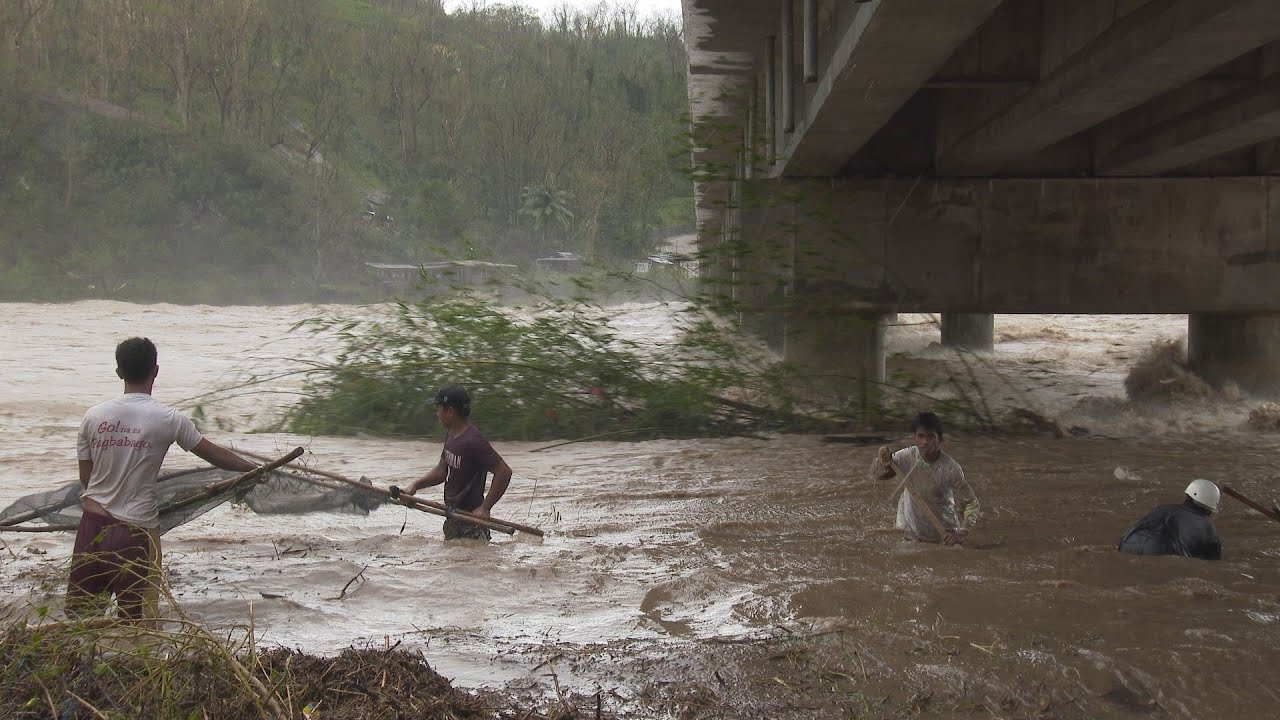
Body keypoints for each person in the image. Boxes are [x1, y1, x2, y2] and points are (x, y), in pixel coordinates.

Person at [67, 337, 259, 622]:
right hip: (136, 531)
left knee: (82, 619)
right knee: (139, 624)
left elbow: (87, 478)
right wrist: (255, 469)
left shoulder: (92, 417)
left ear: (119, 372)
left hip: (92, 528)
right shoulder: (169, 419)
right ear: (155, 371)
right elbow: (214, 455)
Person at [403, 384, 513, 541]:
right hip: (453, 516)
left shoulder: (473, 441)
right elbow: (441, 471)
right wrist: (415, 486)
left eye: (438, 409)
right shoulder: (451, 434)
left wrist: (485, 508)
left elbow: (504, 472)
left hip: (472, 521)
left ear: (450, 411)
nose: (437, 414)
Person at [869, 411, 979, 545]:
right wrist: (881, 461)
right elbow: (877, 474)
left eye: (931, 436)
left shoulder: (950, 468)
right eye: (920, 436)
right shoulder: (906, 456)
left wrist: (961, 533)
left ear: (940, 439)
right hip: (909, 530)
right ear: (914, 438)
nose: (925, 442)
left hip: (942, 534)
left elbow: (971, 504)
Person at [1117, 479, 1222, 560]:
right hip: (1158, 551)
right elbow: (1213, 560)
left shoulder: (1162, 508)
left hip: (1128, 543)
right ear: (1210, 508)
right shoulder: (1208, 527)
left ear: (1188, 496)